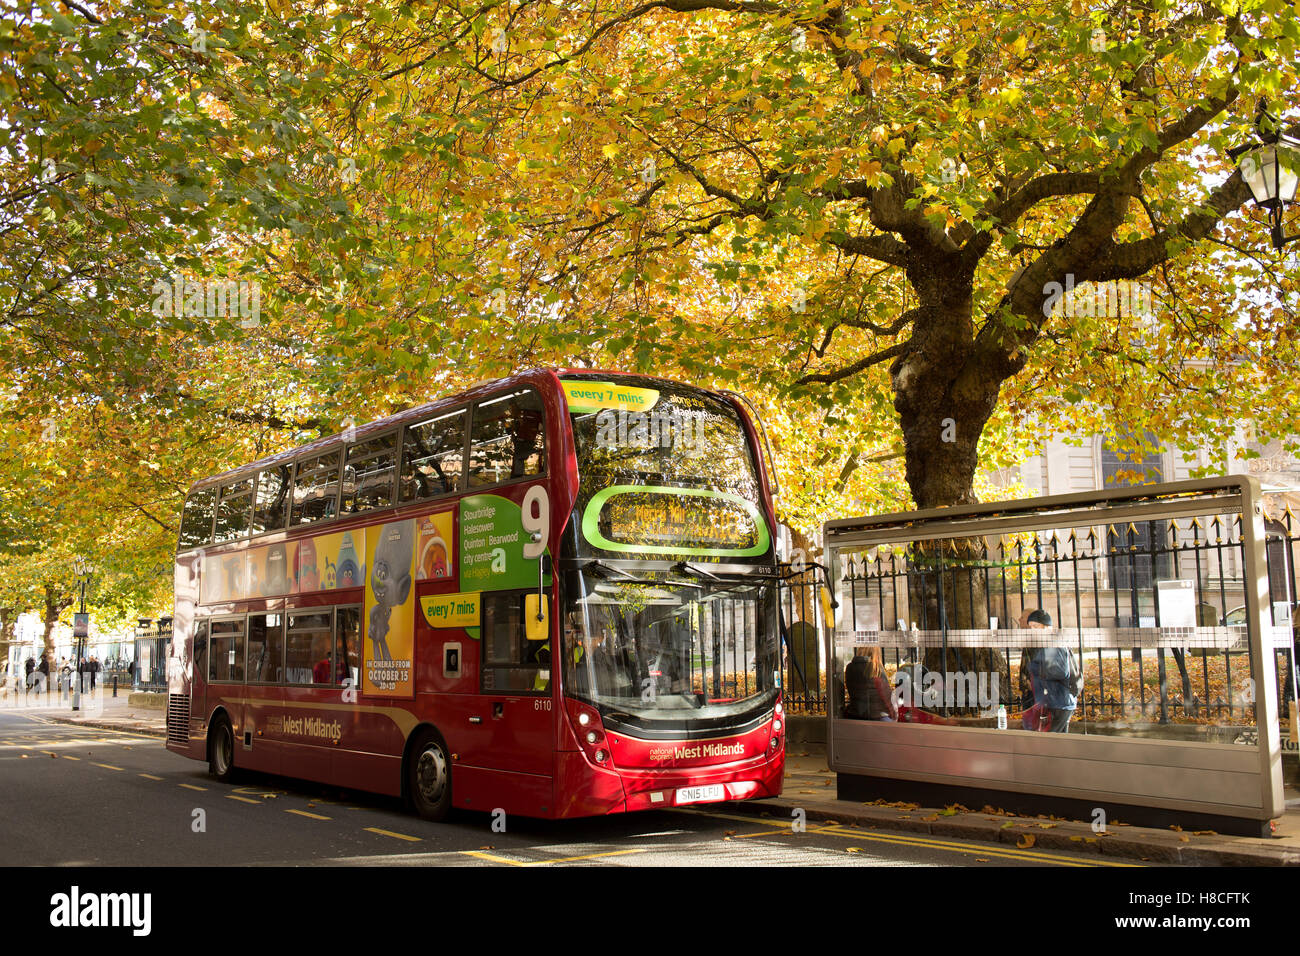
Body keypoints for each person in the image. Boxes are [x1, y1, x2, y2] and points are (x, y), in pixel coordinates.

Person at [844, 647, 897, 720]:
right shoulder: (876, 669)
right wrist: (894, 714)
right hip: (877, 716)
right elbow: (887, 697)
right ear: (876, 652)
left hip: (855, 714)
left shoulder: (849, 667)